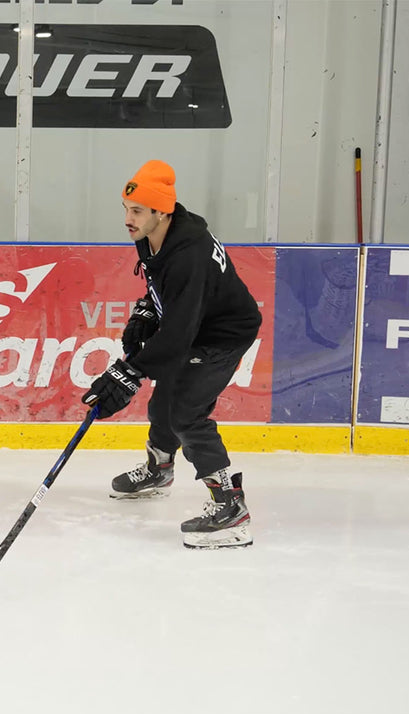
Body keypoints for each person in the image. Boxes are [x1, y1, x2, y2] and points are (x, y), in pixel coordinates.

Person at [81, 160, 262, 549]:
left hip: (222, 336)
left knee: (185, 412)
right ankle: (159, 470)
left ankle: (231, 508)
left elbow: (179, 336)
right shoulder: (154, 234)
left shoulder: (189, 254)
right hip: (196, 326)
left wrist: (128, 372)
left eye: (137, 211)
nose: (127, 219)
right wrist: (148, 309)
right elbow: (163, 287)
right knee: (162, 404)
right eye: (126, 209)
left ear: (161, 211)